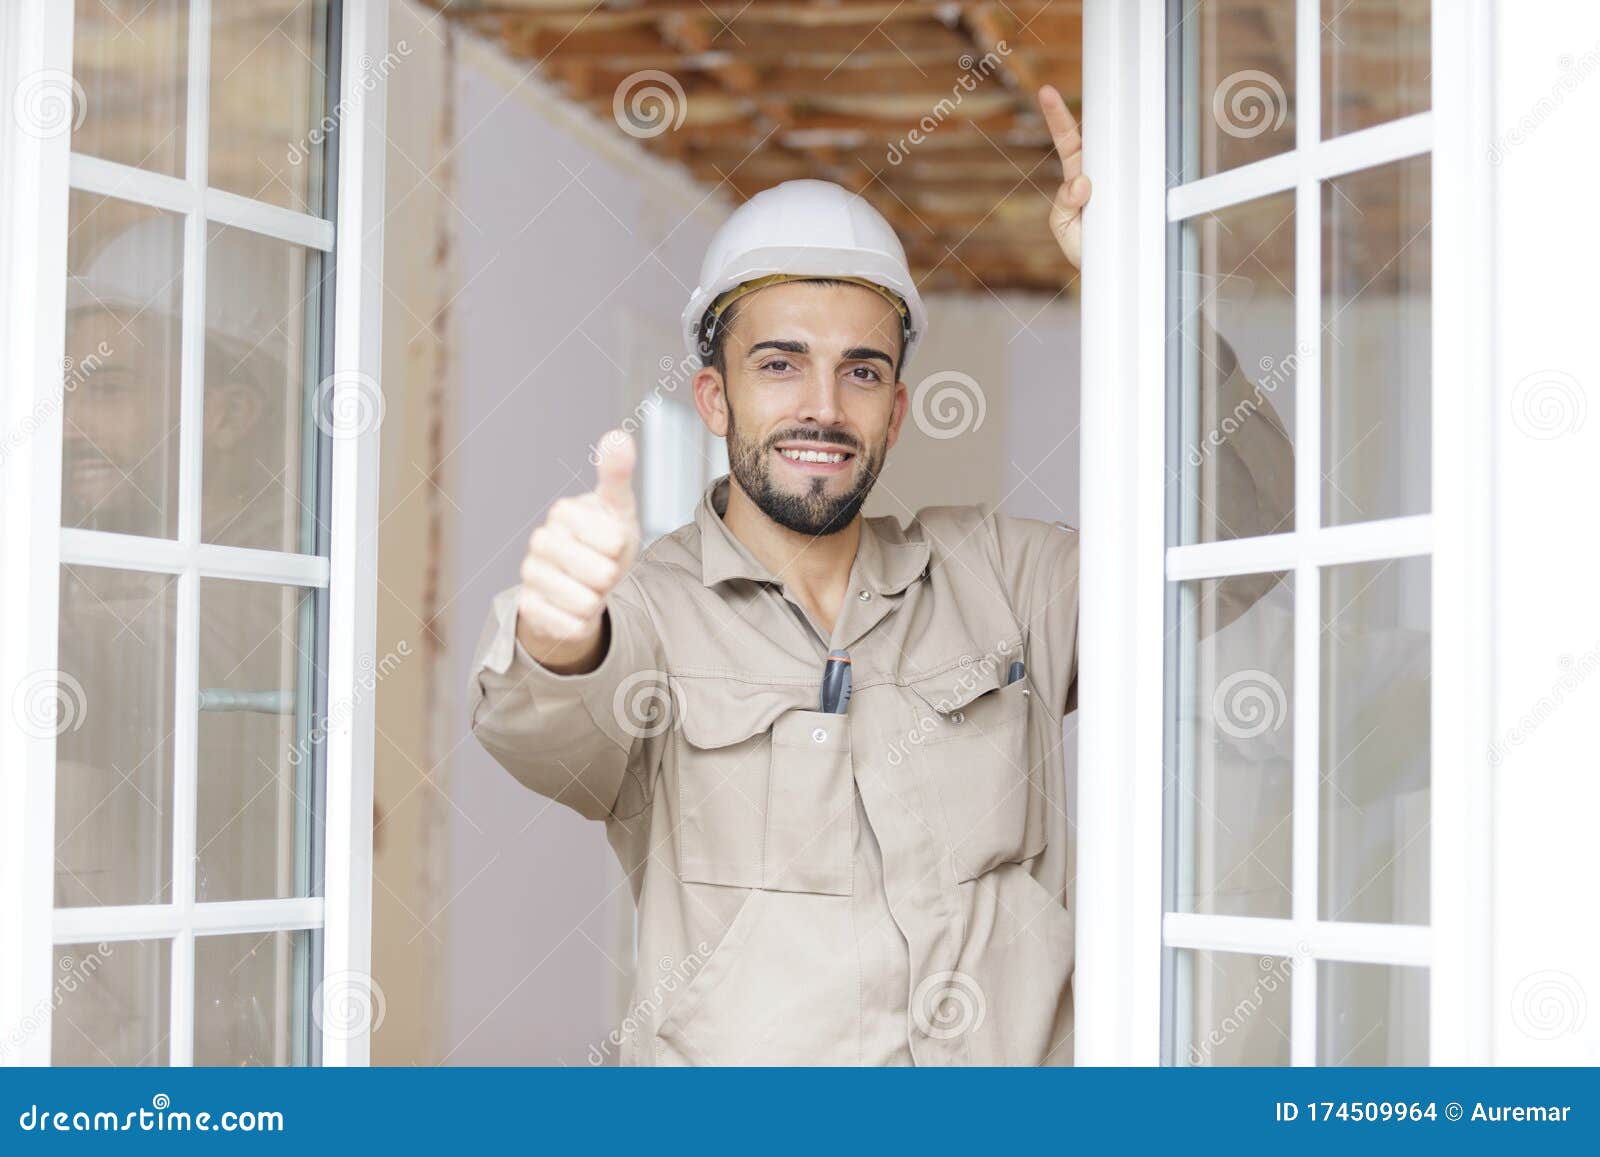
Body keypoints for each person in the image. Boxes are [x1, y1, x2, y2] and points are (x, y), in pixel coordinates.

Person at [467, 88, 1291, 1064]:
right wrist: (560, 634)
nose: (822, 406)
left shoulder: (1005, 577)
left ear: (896, 410)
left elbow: (1237, 542)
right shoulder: (649, 615)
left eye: (860, 370)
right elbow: (546, 727)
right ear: (714, 398)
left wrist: (1149, 298)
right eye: (780, 364)